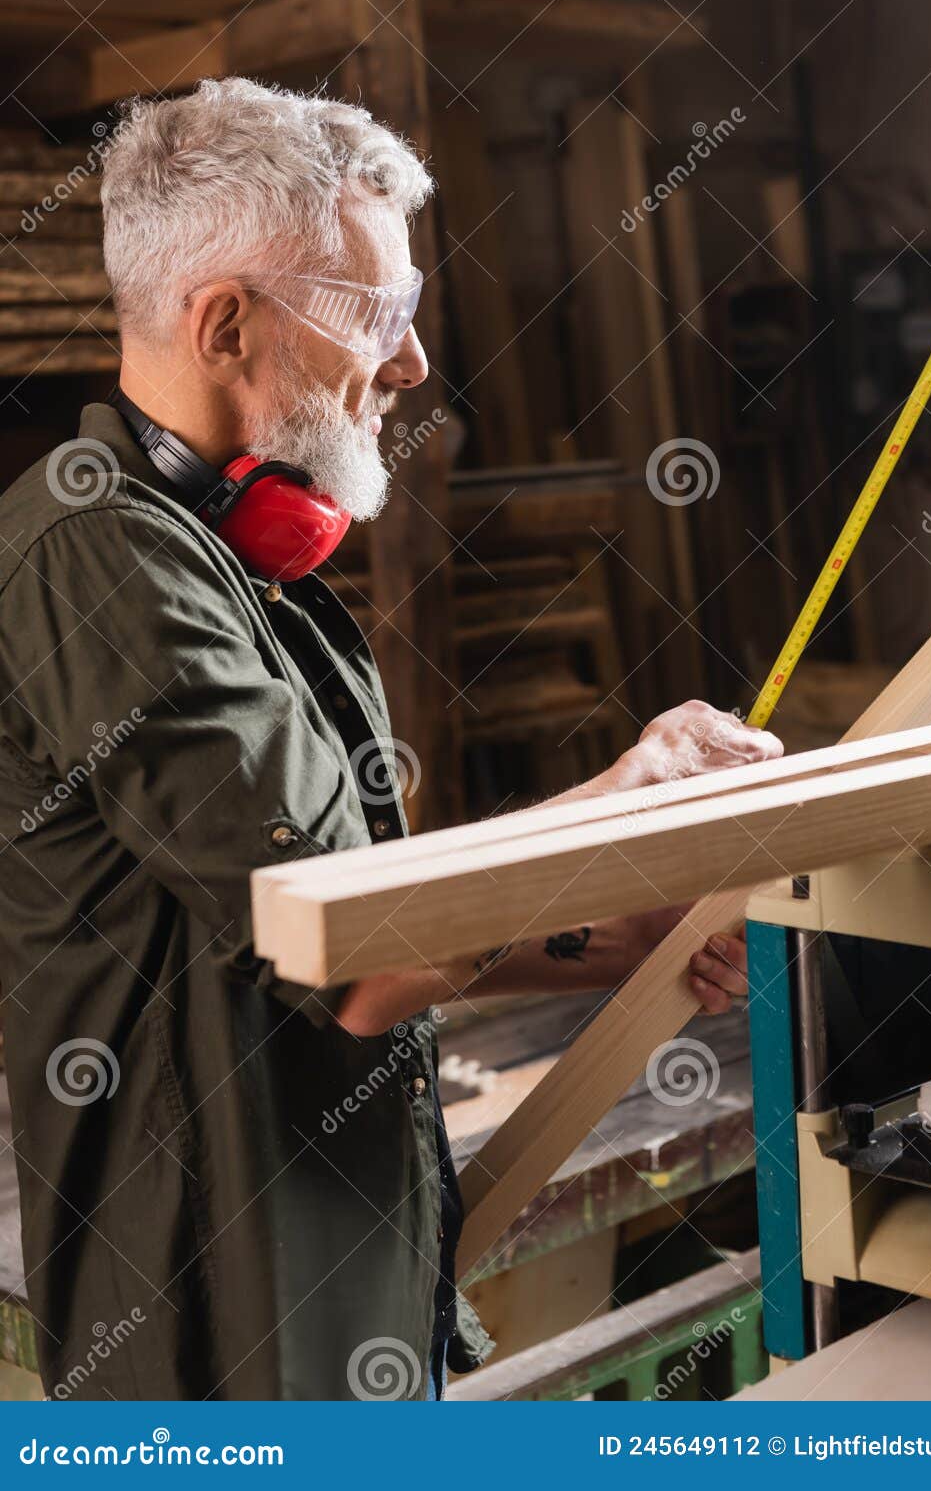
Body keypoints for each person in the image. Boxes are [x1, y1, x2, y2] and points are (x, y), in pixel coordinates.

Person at [0, 79, 781, 1400]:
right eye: (382, 315)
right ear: (228, 322)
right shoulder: (101, 559)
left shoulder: (252, 574)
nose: (414, 364)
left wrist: (615, 938)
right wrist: (630, 793)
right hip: (216, 1358)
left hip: (350, 1300)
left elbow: (356, 962)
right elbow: (358, 945)